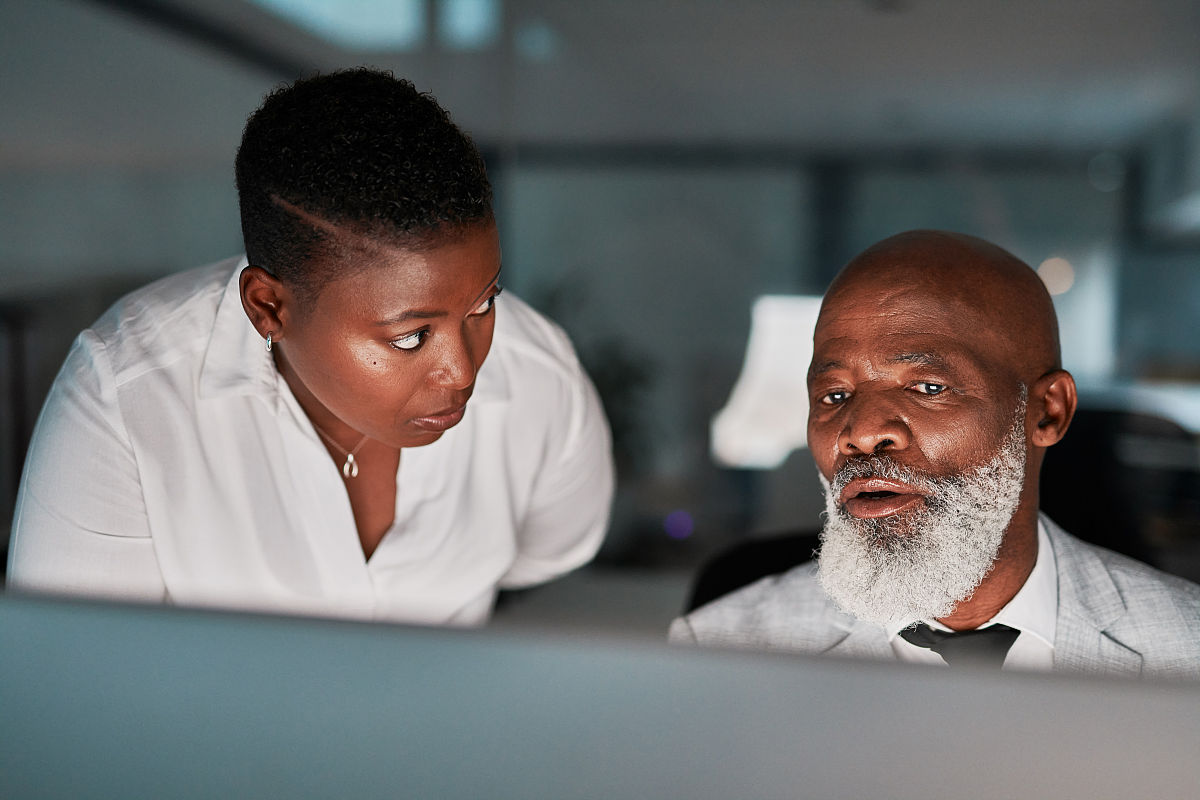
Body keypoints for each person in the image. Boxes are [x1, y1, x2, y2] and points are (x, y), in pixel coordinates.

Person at [7, 68, 615, 626]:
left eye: (484, 303)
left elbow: (544, 570)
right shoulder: (126, 397)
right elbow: (76, 683)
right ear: (268, 307)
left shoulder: (541, 379)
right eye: (409, 336)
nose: (463, 371)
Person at [670, 230, 1200, 678]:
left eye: (926, 388)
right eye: (834, 395)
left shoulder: (1185, 654)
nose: (862, 432)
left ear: (1047, 412)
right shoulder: (720, 653)